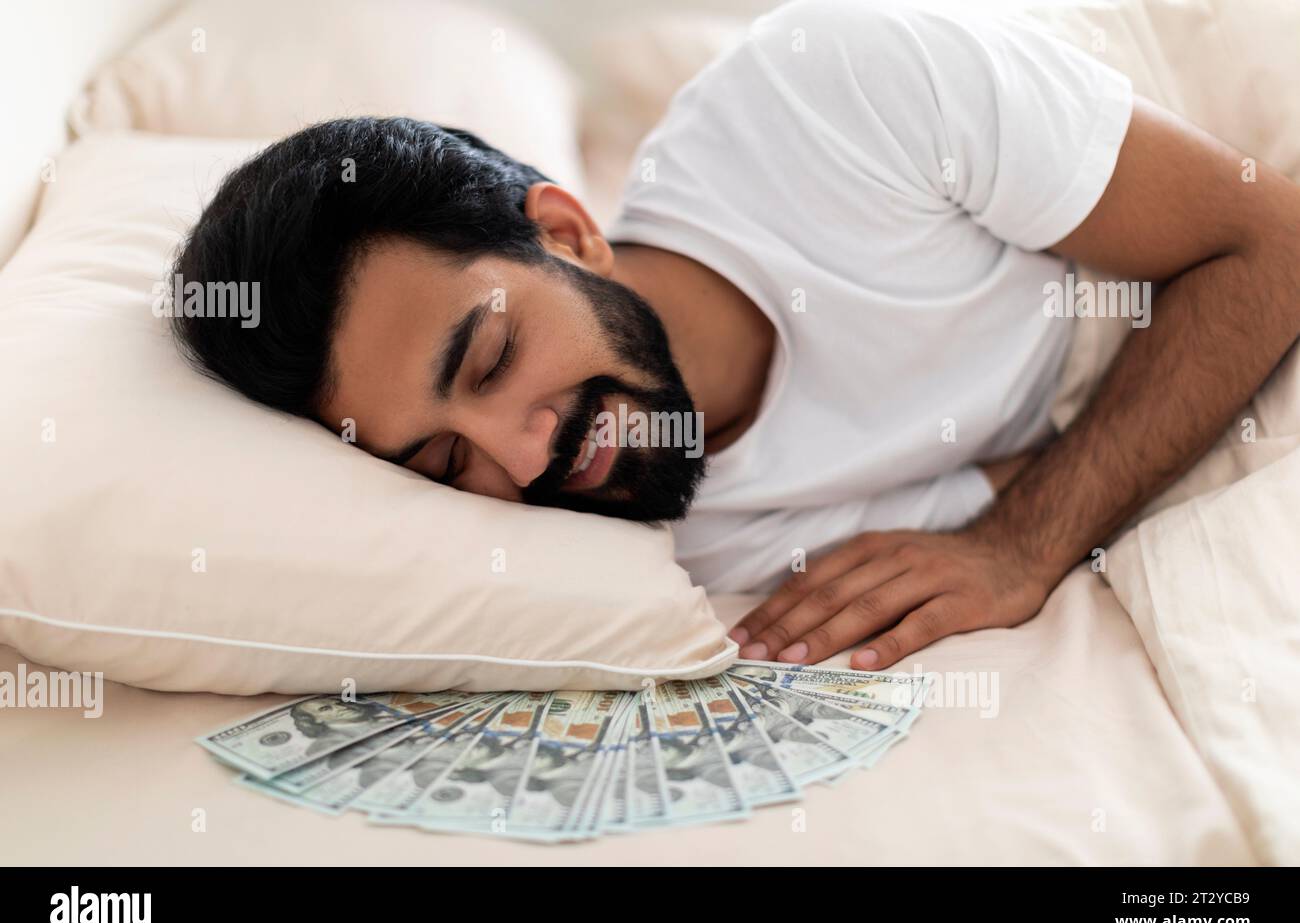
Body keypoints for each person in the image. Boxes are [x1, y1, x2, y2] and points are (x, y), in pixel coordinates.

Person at [169, 0, 1300, 670]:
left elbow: (1271, 241)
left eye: (493, 357)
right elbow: (1020, 460)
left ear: (565, 230)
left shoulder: (839, 92)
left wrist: (1024, 544)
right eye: (444, 460)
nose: (523, 455)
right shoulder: (654, 541)